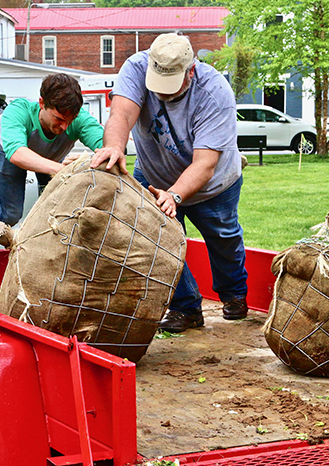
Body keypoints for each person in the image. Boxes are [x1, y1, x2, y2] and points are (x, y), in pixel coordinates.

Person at [90, 33, 248, 333]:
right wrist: (114, 146)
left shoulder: (214, 92)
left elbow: (205, 163)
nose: (161, 93)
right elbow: (121, 113)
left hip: (213, 184)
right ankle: (185, 308)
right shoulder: (136, 68)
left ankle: (234, 294)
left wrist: (174, 195)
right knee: (154, 241)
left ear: (191, 70)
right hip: (153, 174)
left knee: (223, 238)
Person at [0, 73, 104, 271]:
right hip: (13, 151)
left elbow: (107, 147)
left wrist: (91, 160)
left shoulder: (79, 119)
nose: (65, 127)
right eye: (58, 119)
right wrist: (61, 169)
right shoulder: (18, 112)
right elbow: (16, 154)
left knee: (54, 211)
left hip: (52, 158)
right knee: (11, 212)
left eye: (70, 120)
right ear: (42, 103)